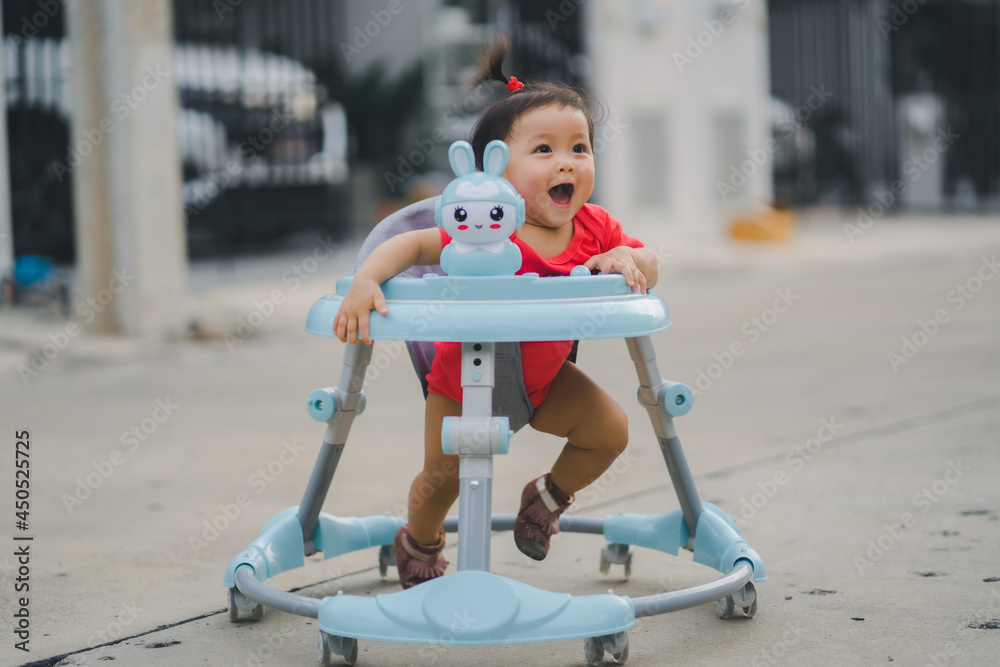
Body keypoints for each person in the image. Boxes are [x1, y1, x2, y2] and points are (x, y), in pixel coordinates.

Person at [333, 38, 658, 589]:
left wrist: (627, 257)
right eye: (545, 151)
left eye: (580, 148)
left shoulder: (596, 227)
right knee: (443, 480)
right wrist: (366, 279)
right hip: (460, 384)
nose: (567, 162)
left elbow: (648, 263)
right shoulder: (483, 227)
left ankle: (547, 497)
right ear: (493, 172)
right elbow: (412, 247)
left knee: (610, 431)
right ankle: (421, 539)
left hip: (547, 379)